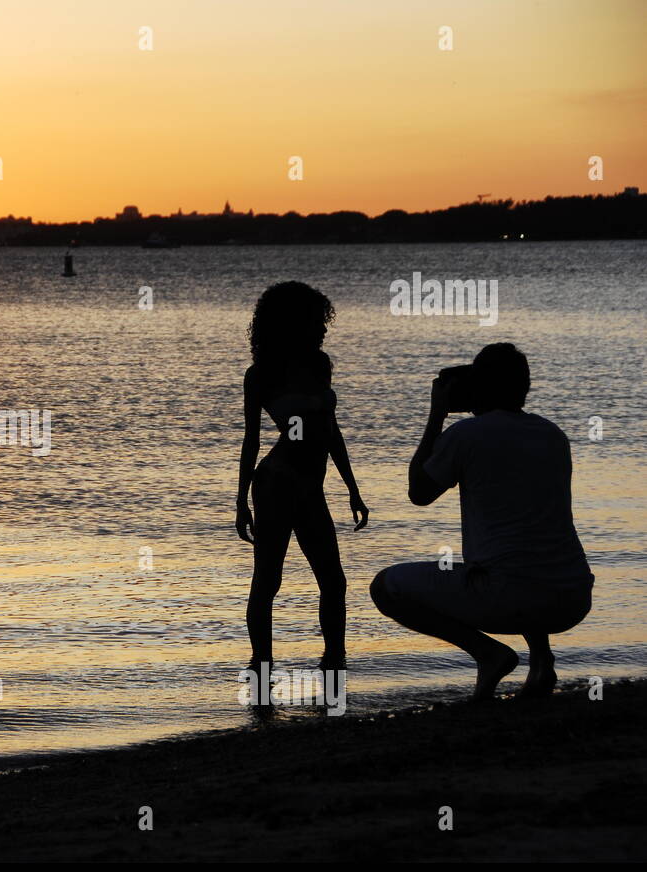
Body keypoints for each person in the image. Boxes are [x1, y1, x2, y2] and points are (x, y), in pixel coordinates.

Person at [369, 343, 593, 700]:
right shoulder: (553, 435)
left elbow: (419, 492)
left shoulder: (465, 435)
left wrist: (436, 415)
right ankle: (542, 662)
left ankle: (488, 654)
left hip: (510, 596)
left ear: (480, 387)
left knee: (384, 587)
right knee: (527, 548)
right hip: (573, 596)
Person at [236, 282, 369, 683]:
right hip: (276, 482)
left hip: (312, 486)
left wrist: (352, 486)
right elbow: (252, 438)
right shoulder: (261, 375)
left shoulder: (319, 364)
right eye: (315, 319)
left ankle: (334, 665)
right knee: (268, 579)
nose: (322, 327)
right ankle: (261, 668)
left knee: (334, 580)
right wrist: (240, 500)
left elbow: (331, 430)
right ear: (295, 321)